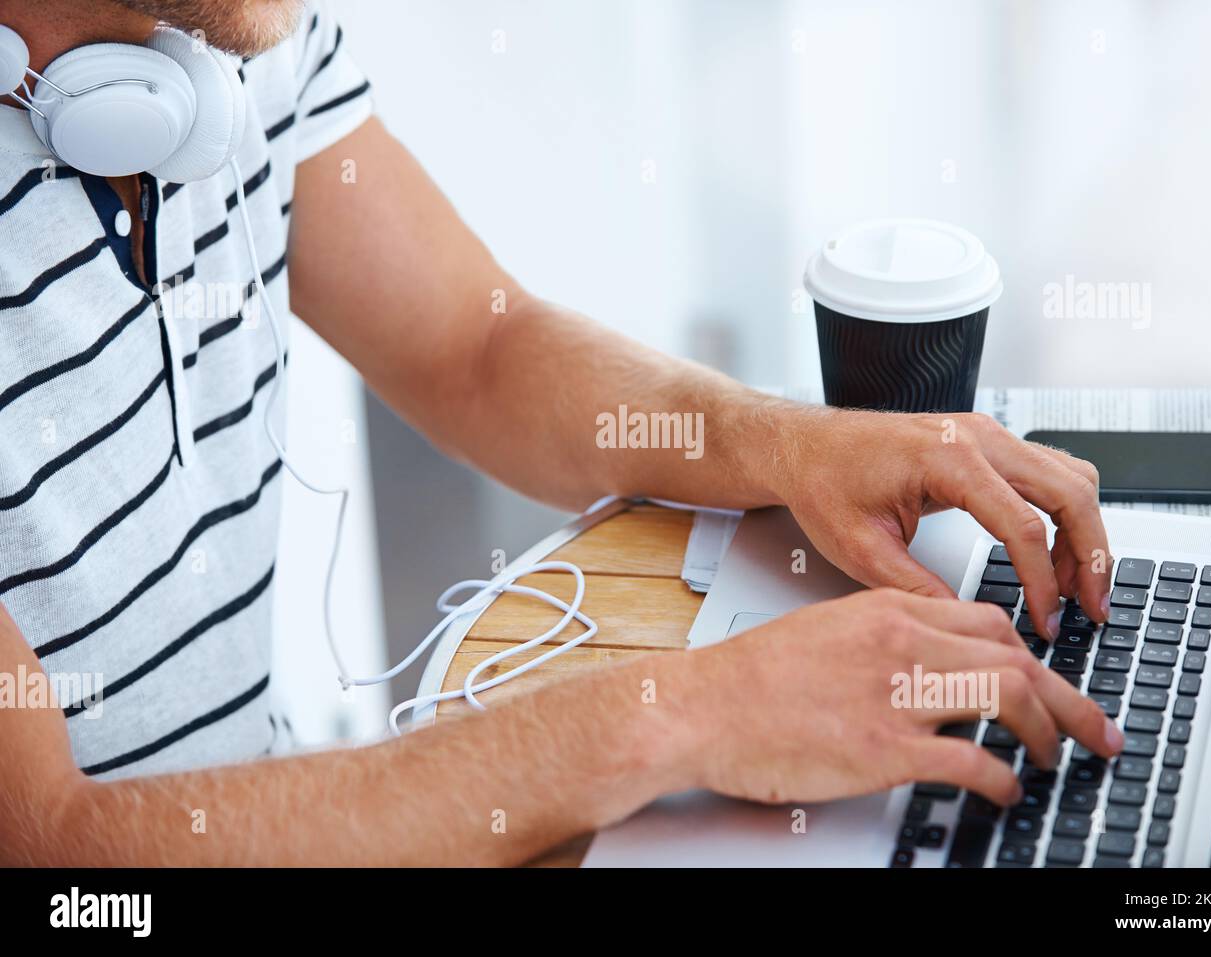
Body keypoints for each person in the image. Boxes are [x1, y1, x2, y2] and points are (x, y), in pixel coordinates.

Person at [0, 0, 1121, 866]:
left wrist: (792, 442)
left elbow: (474, 351)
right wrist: (684, 714)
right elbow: (52, 849)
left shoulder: (224, 39)